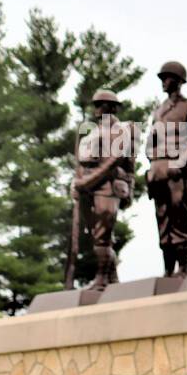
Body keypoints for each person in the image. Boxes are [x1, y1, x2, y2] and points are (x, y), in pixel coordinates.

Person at [145, 60, 187, 277]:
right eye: (162, 78)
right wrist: (152, 163)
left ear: (179, 81)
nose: (163, 82)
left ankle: (183, 269)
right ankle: (168, 269)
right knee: (163, 219)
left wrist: (180, 162)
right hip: (158, 171)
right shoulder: (158, 111)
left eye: (167, 77)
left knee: (180, 219)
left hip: (178, 173)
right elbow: (150, 142)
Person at [74, 89, 139, 290]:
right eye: (95, 104)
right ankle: (112, 277)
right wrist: (77, 184)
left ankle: (101, 279)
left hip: (108, 186)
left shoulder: (121, 131)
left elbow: (114, 161)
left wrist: (90, 180)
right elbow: (81, 162)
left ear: (111, 108)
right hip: (88, 189)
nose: (96, 109)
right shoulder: (91, 132)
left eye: (100, 104)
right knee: (97, 235)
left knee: (102, 234)